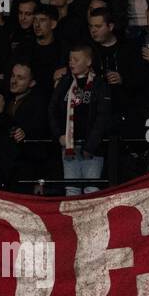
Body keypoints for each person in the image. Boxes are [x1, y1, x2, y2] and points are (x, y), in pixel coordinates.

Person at [50, 44, 114, 192]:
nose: (71, 62)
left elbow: (102, 117)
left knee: (91, 190)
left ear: (88, 62)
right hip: (69, 148)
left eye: (76, 59)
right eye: (70, 59)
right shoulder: (64, 83)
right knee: (72, 190)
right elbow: (52, 110)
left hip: (92, 149)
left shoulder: (99, 84)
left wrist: (90, 146)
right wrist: (59, 135)